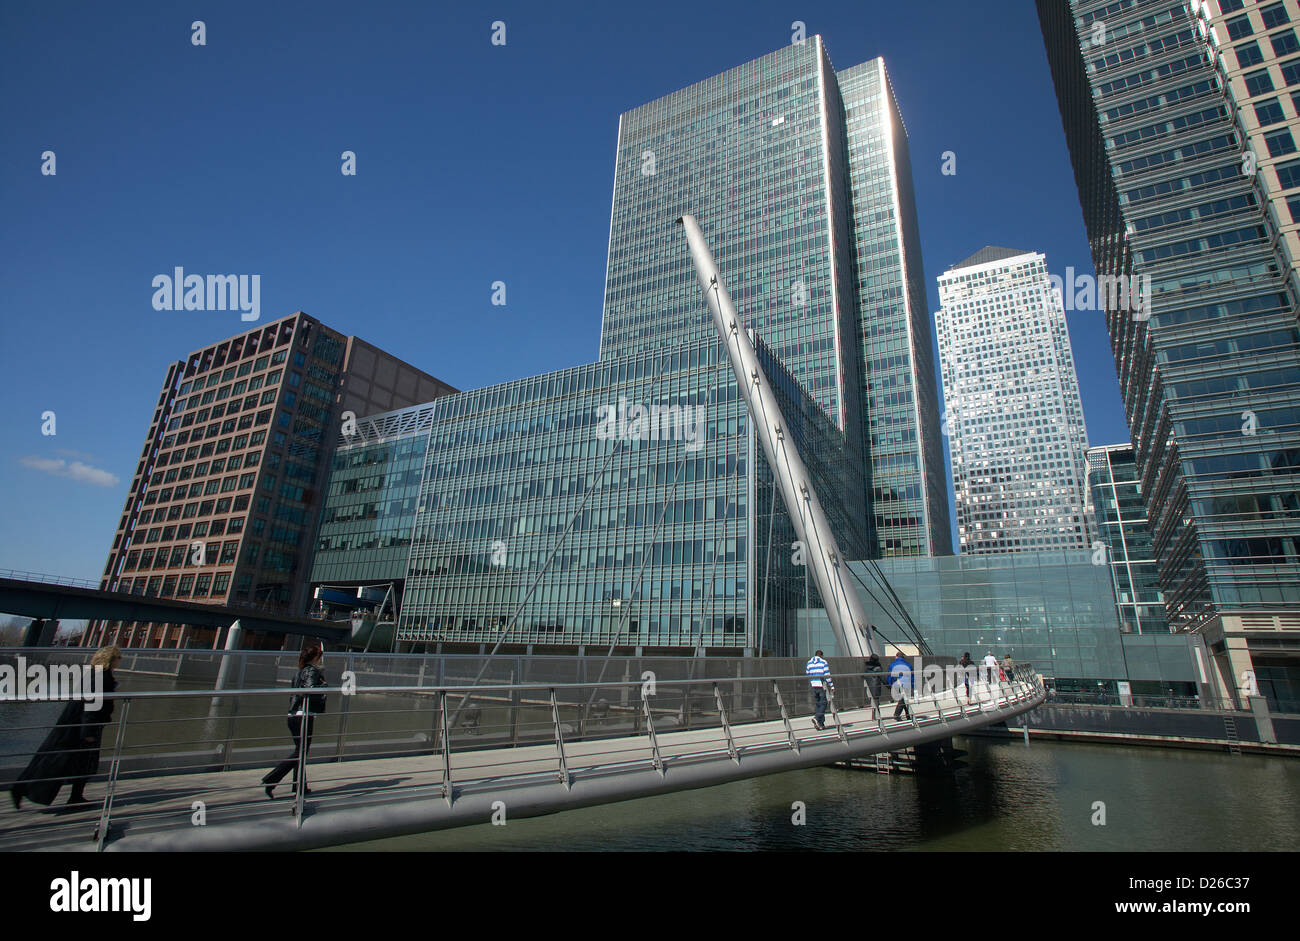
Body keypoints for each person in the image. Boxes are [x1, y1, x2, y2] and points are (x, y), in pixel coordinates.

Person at [11, 645, 121, 810]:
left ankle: (75, 796)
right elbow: (91, 703)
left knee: (79, 761)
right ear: (111, 659)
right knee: (60, 760)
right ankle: (22, 788)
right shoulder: (100, 676)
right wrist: (88, 731)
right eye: (118, 658)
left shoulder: (95, 672)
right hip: (81, 725)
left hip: (80, 723)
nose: (119, 661)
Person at [262, 642, 327, 799]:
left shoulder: (298, 672)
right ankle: (271, 779)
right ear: (315, 658)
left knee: (301, 751)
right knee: (301, 751)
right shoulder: (312, 671)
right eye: (319, 657)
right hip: (304, 716)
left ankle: (300, 787)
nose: (321, 660)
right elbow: (310, 690)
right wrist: (323, 686)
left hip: (293, 715)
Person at [805, 650, 833, 731]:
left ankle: (820, 724)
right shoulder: (823, 662)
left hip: (813, 685)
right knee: (824, 703)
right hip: (821, 685)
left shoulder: (809, 662)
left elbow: (807, 673)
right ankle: (817, 718)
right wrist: (832, 686)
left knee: (818, 704)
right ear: (821, 655)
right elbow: (827, 675)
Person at [888, 651, 912, 721]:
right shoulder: (908, 665)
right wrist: (912, 684)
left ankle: (906, 715)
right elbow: (912, 676)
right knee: (903, 699)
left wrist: (890, 684)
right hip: (906, 684)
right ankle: (897, 714)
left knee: (902, 699)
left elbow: (890, 676)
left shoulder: (892, 665)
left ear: (896, 657)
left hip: (896, 683)